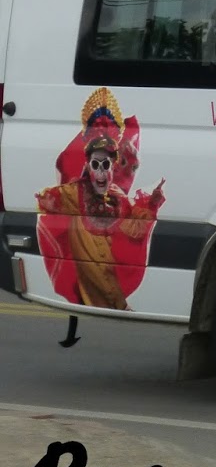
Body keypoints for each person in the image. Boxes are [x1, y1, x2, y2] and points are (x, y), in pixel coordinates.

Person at [35, 89, 165, 311]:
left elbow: (134, 229)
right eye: (96, 165)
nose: (101, 172)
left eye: (106, 165)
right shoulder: (74, 193)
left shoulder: (118, 197)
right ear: (88, 166)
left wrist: (152, 202)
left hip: (113, 290)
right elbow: (48, 202)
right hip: (87, 288)